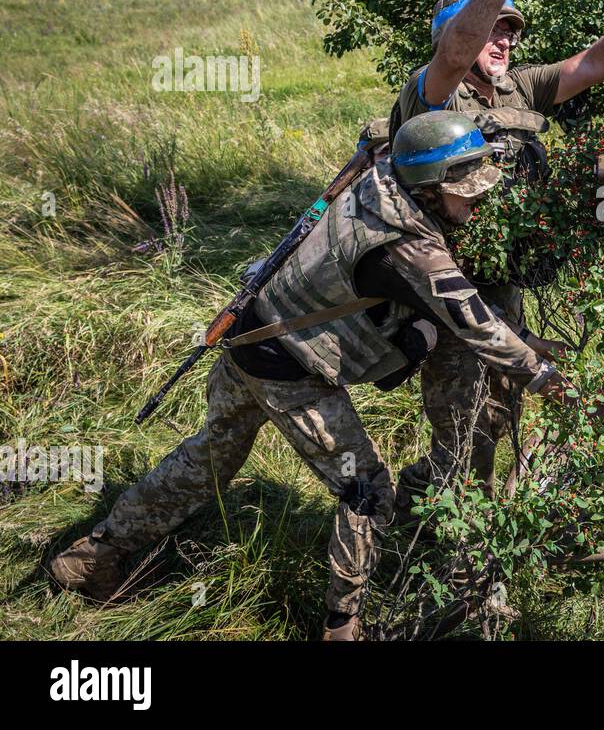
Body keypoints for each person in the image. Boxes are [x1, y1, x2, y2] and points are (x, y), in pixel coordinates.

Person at [49, 111, 576, 641]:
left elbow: (457, 304)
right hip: (289, 366)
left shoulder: (385, 174)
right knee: (366, 491)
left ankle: (93, 557)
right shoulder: (407, 247)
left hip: (250, 333)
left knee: (209, 457)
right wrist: (540, 373)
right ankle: (341, 624)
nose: (478, 199)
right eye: (465, 190)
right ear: (432, 191)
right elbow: (469, 319)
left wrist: (524, 341)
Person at [391, 0, 604, 506]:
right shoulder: (433, 89)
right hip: (449, 283)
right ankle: (454, 554)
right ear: (453, 32)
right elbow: (456, 52)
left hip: (504, 280)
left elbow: (586, 67)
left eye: (511, 31)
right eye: (493, 28)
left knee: (499, 410)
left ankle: (429, 494)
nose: (504, 39)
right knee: (462, 422)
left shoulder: (520, 86)